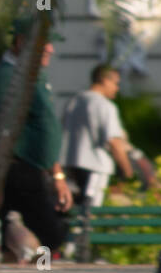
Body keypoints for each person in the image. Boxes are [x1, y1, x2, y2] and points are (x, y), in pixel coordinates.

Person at [0, 16, 74, 259]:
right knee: (49, 235)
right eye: (44, 42)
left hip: (36, 171)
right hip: (18, 172)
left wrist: (57, 175)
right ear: (21, 42)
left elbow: (45, 127)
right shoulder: (8, 79)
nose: (50, 48)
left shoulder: (34, 74)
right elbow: (0, 133)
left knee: (41, 239)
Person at [61, 64, 152, 209]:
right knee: (90, 212)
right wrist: (128, 172)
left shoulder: (73, 102)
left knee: (73, 211)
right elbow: (114, 142)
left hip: (69, 167)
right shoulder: (104, 105)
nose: (117, 88)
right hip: (95, 167)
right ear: (104, 80)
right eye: (116, 83)